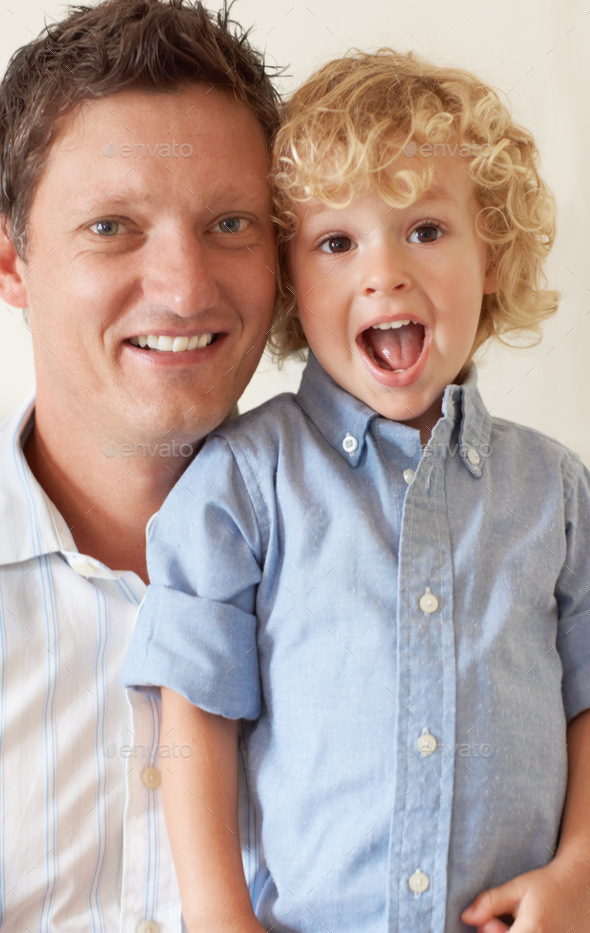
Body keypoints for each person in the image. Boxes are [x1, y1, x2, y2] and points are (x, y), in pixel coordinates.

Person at [123, 48, 590, 933]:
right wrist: (220, 917)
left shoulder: (555, 492)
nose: (385, 273)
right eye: (337, 243)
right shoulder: (242, 482)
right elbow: (195, 713)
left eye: (425, 229)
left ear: (491, 252)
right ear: (293, 281)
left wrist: (581, 872)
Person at [0, 0, 280, 929]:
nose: (185, 287)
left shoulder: (428, 568)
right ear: (13, 261)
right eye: (112, 226)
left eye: (232, 222)